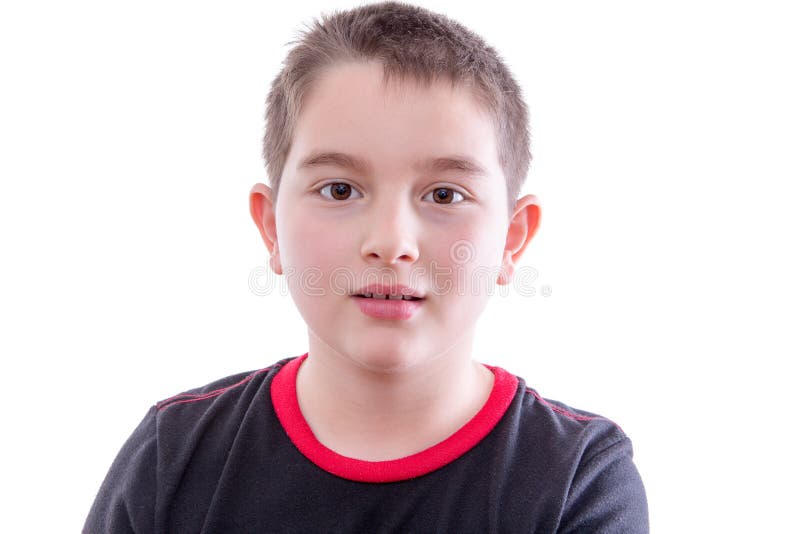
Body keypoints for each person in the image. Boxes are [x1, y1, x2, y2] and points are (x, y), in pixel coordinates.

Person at [83, 2, 649, 532]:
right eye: (339, 188)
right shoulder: (173, 457)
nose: (391, 242)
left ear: (512, 239)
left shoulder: (579, 479)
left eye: (445, 195)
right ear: (272, 227)